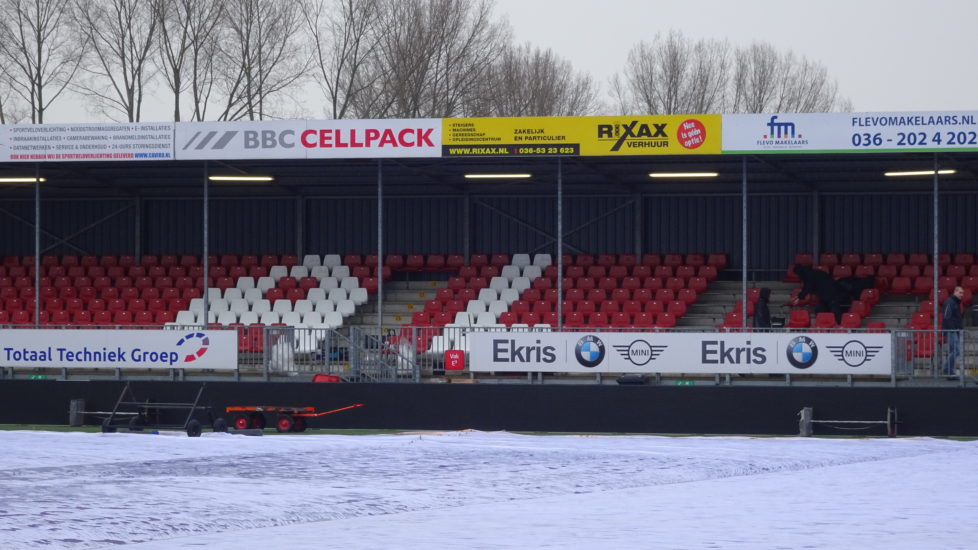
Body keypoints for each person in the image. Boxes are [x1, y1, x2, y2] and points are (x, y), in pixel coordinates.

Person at [942, 286, 964, 376]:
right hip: (951, 331)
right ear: (955, 292)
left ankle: (950, 372)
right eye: (960, 292)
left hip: (955, 330)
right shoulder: (950, 302)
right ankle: (947, 368)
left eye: (962, 293)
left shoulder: (956, 303)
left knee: (953, 351)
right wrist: (953, 329)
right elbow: (947, 317)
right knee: (956, 350)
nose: (962, 295)